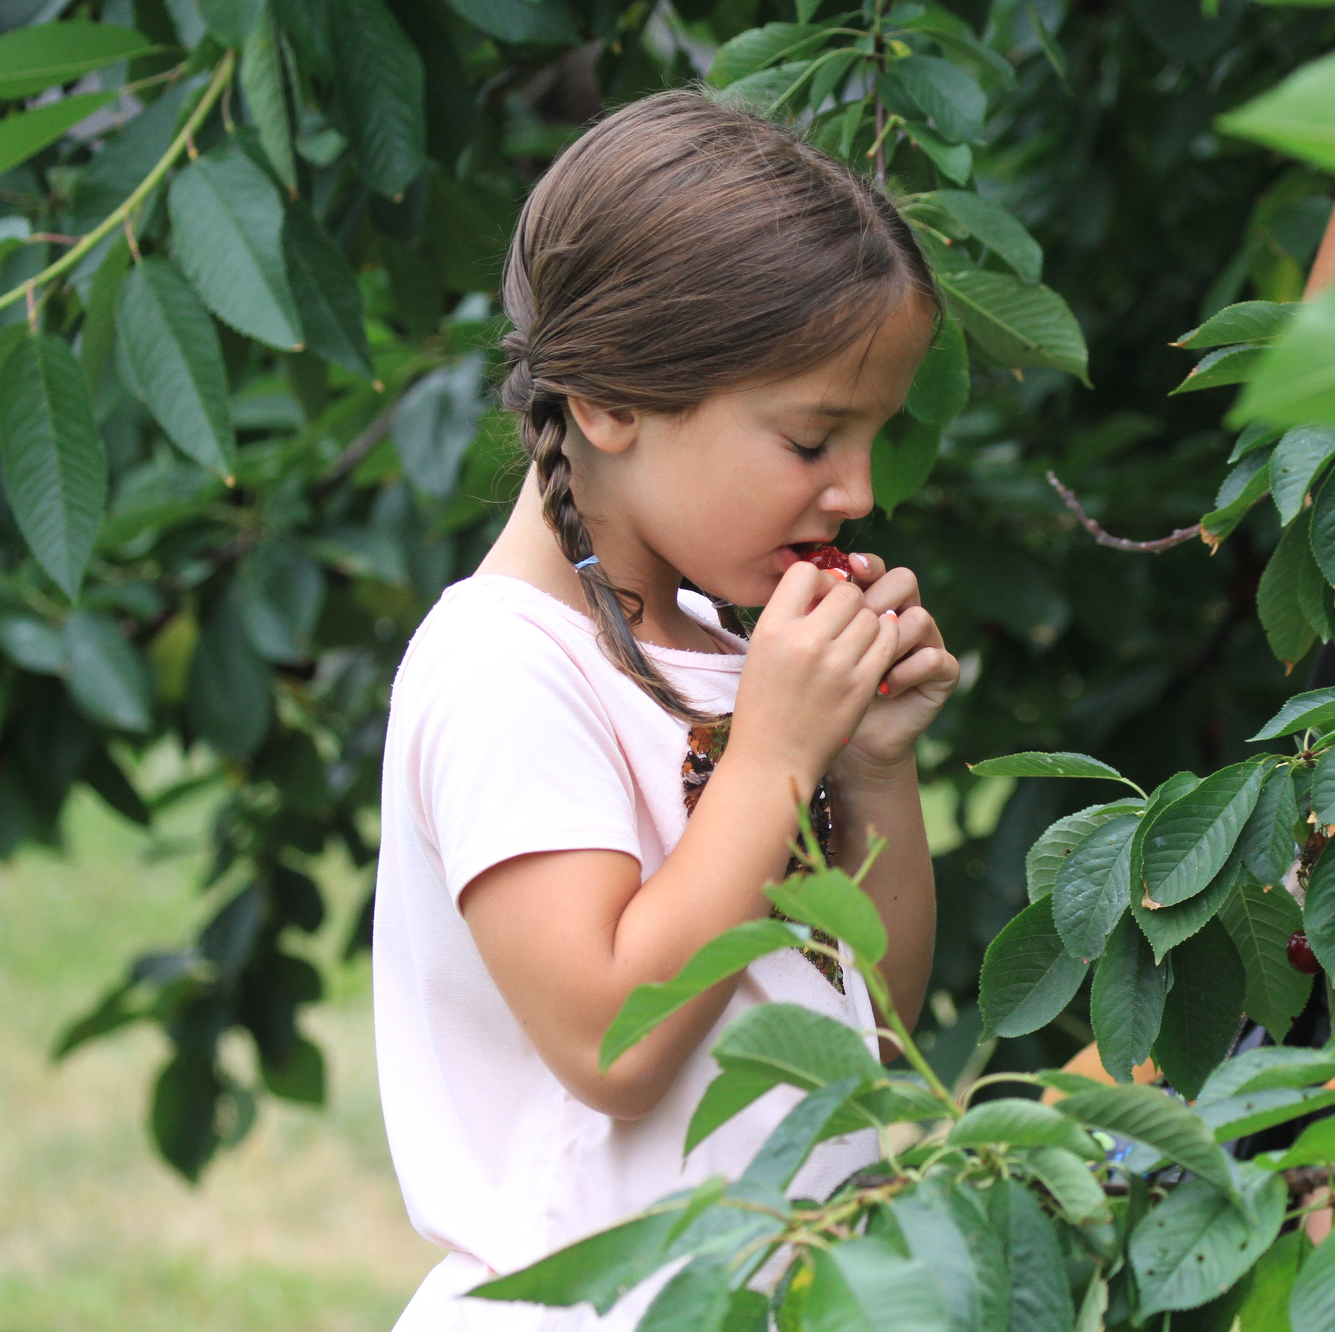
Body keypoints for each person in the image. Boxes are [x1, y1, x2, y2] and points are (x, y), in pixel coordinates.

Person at [369, 91, 958, 1331]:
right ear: (609, 405)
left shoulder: (734, 659)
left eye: (871, 439)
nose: (855, 488)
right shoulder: (500, 665)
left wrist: (868, 769)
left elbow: (877, 1026)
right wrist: (777, 754)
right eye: (810, 440)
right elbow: (612, 1047)